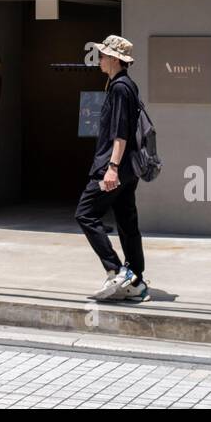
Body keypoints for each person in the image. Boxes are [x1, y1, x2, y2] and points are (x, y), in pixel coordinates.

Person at [75, 34, 148, 302]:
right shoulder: (128, 85)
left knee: (85, 213)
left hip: (114, 166)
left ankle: (116, 269)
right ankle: (136, 282)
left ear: (115, 59)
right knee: (127, 222)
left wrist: (112, 168)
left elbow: (121, 134)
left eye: (104, 56)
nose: (100, 59)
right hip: (130, 169)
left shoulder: (119, 88)